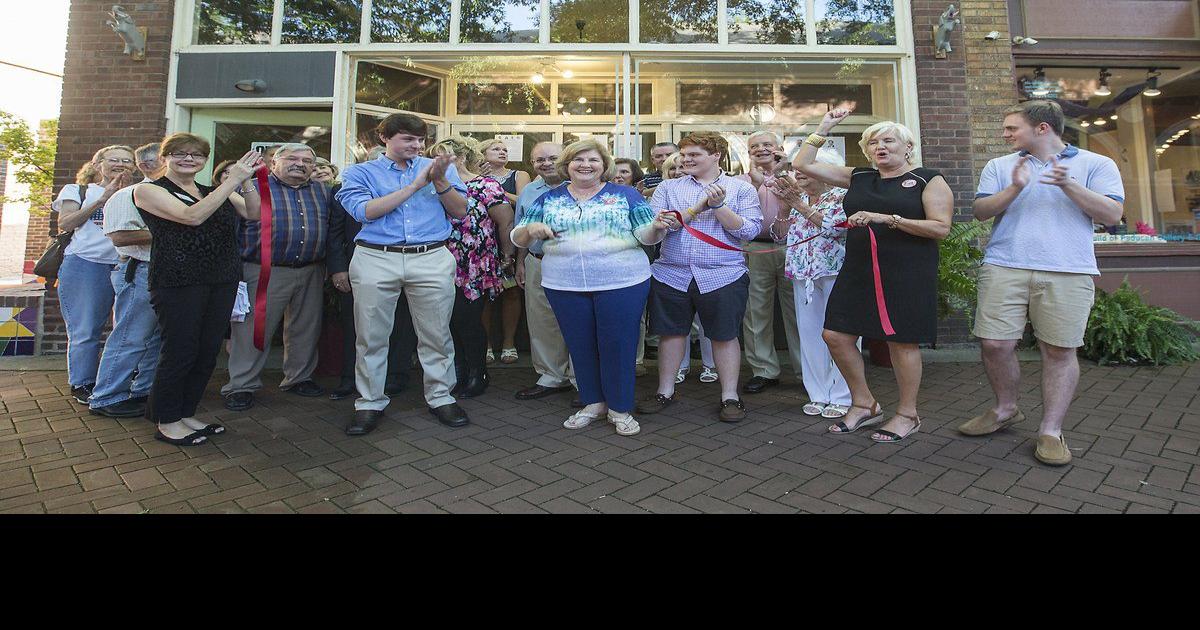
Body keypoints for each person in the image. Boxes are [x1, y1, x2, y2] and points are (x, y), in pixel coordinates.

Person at [960, 100, 1124, 466]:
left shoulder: (1096, 163)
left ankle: (1051, 430)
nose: (1005, 134)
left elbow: (1112, 214)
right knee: (994, 344)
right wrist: (1015, 188)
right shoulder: (1000, 165)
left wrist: (1068, 184)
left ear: (1042, 128)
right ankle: (1005, 409)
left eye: (1012, 128)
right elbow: (980, 211)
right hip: (1005, 265)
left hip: (1068, 269)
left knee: (1059, 351)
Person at [793, 109, 953, 443]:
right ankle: (864, 403)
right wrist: (824, 127)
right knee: (835, 335)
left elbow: (940, 228)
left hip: (906, 270)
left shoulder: (928, 179)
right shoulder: (860, 177)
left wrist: (887, 218)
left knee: (901, 341)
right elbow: (803, 164)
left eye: (888, 140)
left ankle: (908, 414)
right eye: (873, 142)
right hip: (859, 267)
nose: (880, 147)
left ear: (907, 147)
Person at [512, 138, 666, 436]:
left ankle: (619, 407)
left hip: (622, 282)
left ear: (604, 165)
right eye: (578, 160)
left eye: (593, 160)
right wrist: (529, 230)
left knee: (618, 345)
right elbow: (518, 237)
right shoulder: (548, 199)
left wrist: (657, 227)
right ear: (567, 165)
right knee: (579, 344)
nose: (586, 165)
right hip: (563, 283)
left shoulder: (626, 195)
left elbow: (647, 236)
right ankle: (593, 403)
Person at [335, 113, 471, 435]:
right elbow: (364, 212)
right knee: (371, 335)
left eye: (421, 139)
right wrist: (414, 186)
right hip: (375, 256)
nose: (417, 145)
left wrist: (440, 181)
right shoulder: (359, 172)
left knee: (436, 333)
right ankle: (369, 402)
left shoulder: (440, 168)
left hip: (431, 255)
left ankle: (441, 396)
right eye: (408, 138)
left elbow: (460, 211)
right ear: (385, 138)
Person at [132, 133, 262, 445]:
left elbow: (253, 213)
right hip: (179, 280)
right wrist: (232, 182)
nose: (189, 159)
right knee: (180, 350)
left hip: (221, 278)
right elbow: (192, 216)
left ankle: (185, 412)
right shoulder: (149, 190)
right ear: (165, 157)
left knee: (206, 351)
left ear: (205, 160)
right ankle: (166, 419)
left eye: (197, 155)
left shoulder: (212, 190)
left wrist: (245, 181)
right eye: (180, 153)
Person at [638, 132, 763, 422]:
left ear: (716, 155)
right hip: (671, 273)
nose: (686, 160)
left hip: (724, 274)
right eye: (683, 155)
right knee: (670, 333)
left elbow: (749, 231)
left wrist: (719, 207)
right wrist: (668, 220)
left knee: (724, 335)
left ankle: (730, 396)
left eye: (694, 155)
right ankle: (665, 391)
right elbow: (656, 231)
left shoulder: (741, 189)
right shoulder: (668, 187)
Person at [222, 143, 331, 410]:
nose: (300, 164)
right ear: (274, 163)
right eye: (292, 158)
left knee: (305, 328)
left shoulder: (323, 191)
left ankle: (299, 378)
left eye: (307, 161)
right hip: (263, 270)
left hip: (312, 268)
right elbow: (231, 231)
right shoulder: (251, 187)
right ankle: (241, 385)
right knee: (253, 329)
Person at [326, 147, 418, 401]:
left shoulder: (411, 189)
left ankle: (396, 376)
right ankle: (350, 378)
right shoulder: (345, 189)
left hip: (404, 264)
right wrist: (338, 269)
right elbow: (334, 233)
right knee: (357, 327)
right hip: (359, 267)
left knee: (401, 323)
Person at [768, 148, 852, 419]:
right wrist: (784, 208)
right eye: (797, 168)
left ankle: (843, 395)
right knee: (809, 334)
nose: (799, 172)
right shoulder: (798, 196)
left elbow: (836, 229)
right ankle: (818, 393)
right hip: (803, 274)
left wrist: (799, 205)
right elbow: (779, 236)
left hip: (837, 273)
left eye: (807, 167)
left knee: (842, 335)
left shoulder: (844, 196)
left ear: (827, 170)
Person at [428, 136, 514, 398]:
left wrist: (507, 257)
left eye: (444, 155)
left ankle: (478, 373)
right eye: (434, 157)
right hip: (438, 262)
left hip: (474, 264)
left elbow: (505, 222)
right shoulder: (431, 187)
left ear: (462, 157)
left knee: (468, 320)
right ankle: (459, 372)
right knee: (448, 321)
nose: (438, 162)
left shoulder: (485, 185)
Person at [52, 145, 135, 404]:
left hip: (127, 265)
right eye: (114, 159)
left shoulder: (138, 192)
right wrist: (101, 200)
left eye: (127, 161)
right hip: (86, 264)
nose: (120, 164)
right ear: (97, 164)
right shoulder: (78, 190)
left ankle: (117, 381)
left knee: (128, 330)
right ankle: (83, 382)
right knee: (86, 328)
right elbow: (65, 223)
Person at [89, 143, 163, 418]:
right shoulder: (127, 195)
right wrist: (172, 229)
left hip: (167, 274)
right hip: (140, 270)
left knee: (155, 339)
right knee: (130, 337)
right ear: (146, 165)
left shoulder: (173, 195)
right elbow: (120, 237)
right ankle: (107, 396)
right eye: (169, 159)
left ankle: (143, 390)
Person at [736, 130, 804, 394]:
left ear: (780, 148)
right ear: (748, 153)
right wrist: (755, 184)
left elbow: (802, 200)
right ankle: (763, 370)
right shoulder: (740, 181)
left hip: (793, 247)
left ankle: (806, 371)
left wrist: (781, 172)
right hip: (755, 248)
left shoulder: (796, 175)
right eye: (755, 146)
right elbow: (738, 212)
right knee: (755, 312)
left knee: (798, 312)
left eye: (767, 144)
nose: (761, 149)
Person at [512, 141, 575, 401]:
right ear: (532, 163)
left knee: (577, 321)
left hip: (574, 263)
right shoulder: (528, 191)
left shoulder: (581, 186)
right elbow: (520, 230)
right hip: (537, 261)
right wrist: (520, 262)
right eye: (540, 160)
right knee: (542, 322)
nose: (546, 163)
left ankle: (581, 380)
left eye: (553, 158)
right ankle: (551, 376)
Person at [476, 138, 528, 366]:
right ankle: (485, 344)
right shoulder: (473, 175)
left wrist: (492, 189)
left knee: (511, 291)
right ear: (482, 154)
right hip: (482, 242)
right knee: (485, 294)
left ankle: (509, 342)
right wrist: (479, 180)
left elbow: (524, 202)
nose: (502, 152)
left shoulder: (519, 175)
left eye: (505, 149)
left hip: (509, 239)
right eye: (496, 148)